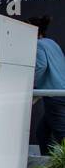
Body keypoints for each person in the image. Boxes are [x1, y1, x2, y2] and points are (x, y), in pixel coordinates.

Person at [30, 15, 65, 151]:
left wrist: (30, 85)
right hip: (60, 92)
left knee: (61, 133)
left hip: (54, 96)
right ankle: (49, 163)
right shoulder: (52, 43)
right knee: (42, 133)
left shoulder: (38, 45)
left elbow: (40, 66)